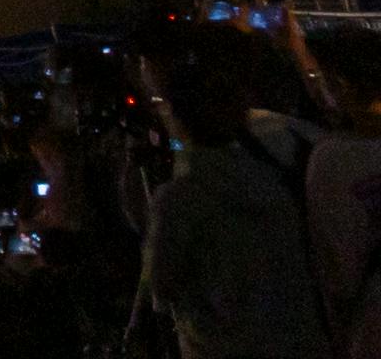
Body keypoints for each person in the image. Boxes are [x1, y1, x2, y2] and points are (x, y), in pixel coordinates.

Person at [138, 31, 336, 359]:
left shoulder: (179, 198)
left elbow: (161, 288)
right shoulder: (279, 167)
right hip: (301, 336)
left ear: (176, 115)